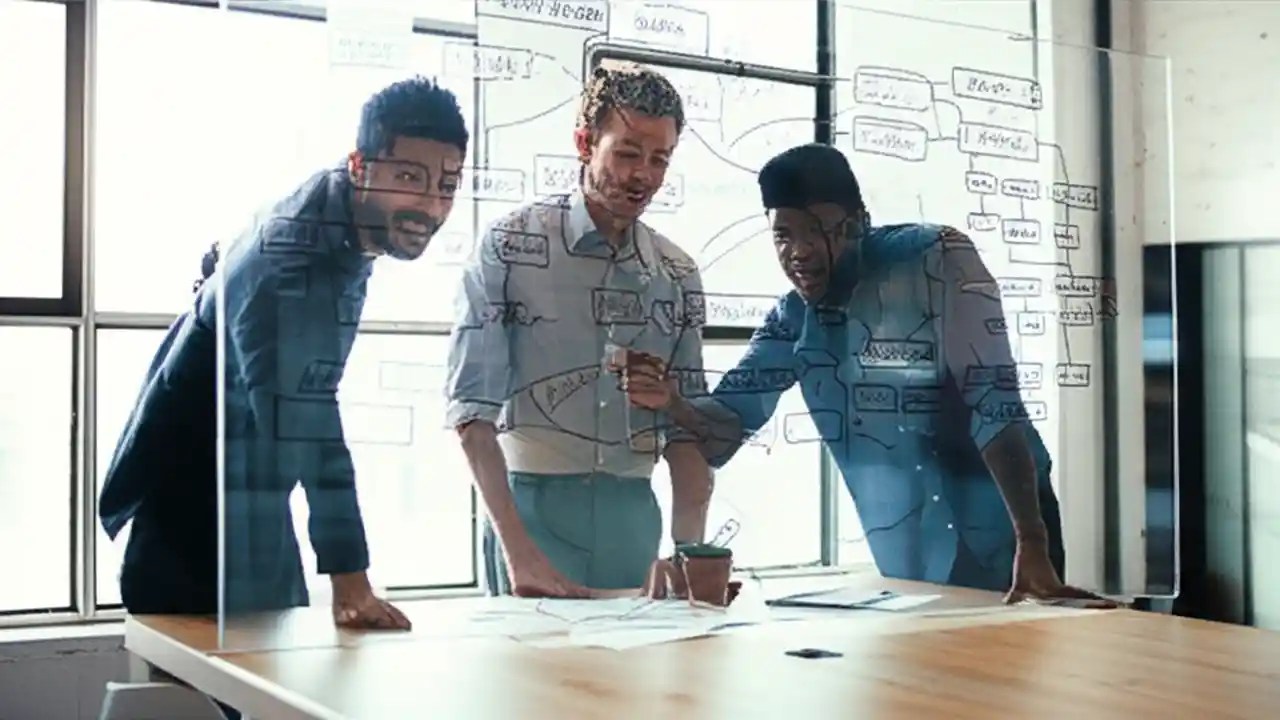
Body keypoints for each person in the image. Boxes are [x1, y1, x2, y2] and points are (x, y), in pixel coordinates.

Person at [621, 143, 1109, 604]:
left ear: (858, 224)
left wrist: (1032, 539)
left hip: (1006, 542)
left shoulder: (936, 259)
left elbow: (996, 405)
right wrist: (673, 402)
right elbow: (726, 426)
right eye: (784, 234)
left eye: (817, 231)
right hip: (906, 564)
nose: (800, 252)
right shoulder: (793, 321)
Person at [100, 76, 469, 628]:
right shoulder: (294, 255)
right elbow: (306, 418)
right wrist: (350, 578)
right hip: (192, 529)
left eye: (447, 184)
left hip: (252, 506)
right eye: (410, 178)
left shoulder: (339, 216)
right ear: (360, 166)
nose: (431, 205)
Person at [446, 63, 713, 598]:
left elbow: (689, 434)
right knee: (534, 682)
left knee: (634, 683)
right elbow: (471, 415)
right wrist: (518, 554)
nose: (644, 176)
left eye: (660, 159)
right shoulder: (509, 246)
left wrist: (688, 554)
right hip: (530, 515)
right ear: (584, 143)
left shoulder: (677, 273)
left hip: (634, 521)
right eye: (628, 153)